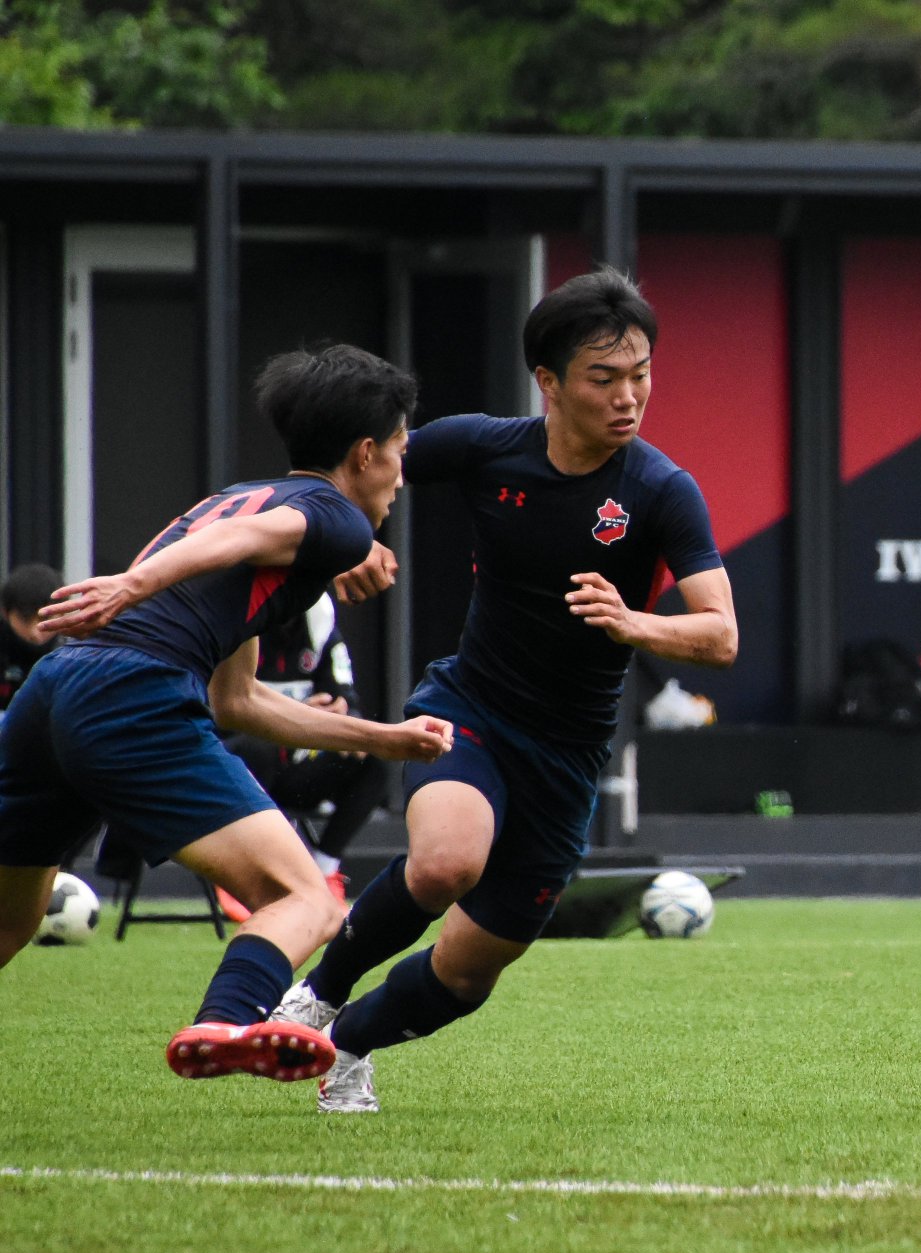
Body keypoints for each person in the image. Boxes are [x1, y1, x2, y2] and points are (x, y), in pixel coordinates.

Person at [273, 266, 736, 1114]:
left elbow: (720, 633)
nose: (628, 396)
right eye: (604, 378)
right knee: (448, 860)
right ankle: (319, 992)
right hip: (471, 709)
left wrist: (639, 624)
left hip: (568, 756)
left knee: (470, 970)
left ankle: (343, 1047)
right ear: (550, 383)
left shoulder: (662, 490)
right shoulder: (488, 447)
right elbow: (358, 468)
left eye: (640, 375)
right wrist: (349, 539)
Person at [0, 345, 454, 1083]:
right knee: (305, 897)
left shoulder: (242, 495)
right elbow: (251, 540)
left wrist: (384, 739)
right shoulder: (335, 517)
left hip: (54, 690)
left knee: (10, 924)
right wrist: (132, 583)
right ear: (366, 452)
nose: (403, 473)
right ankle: (228, 1020)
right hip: (129, 693)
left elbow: (236, 700)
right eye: (401, 450)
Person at [207, 592, 385, 919]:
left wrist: (342, 720)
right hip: (229, 768)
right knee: (256, 749)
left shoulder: (319, 623)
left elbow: (345, 698)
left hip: (290, 770)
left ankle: (323, 871)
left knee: (371, 753)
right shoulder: (235, 623)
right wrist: (293, 716)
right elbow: (216, 717)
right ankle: (239, 874)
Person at [1, 563, 61, 710]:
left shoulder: (78, 651)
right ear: (5, 612)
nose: (35, 632)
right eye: (25, 619)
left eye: (45, 619)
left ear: (63, 611)